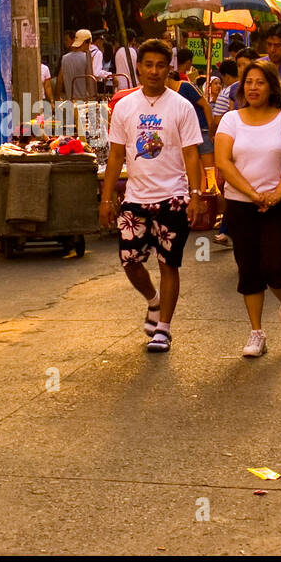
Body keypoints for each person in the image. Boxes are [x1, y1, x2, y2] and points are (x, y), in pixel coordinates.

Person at [100, 39, 203, 354]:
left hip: (173, 198)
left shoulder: (181, 107)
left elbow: (191, 155)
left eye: (161, 65)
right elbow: (116, 155)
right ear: (139, 69)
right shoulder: (125, 107)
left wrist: (196, 195)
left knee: (167, 263)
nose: (154, 71)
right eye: (149, 65)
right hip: (134, 199)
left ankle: (163, 329)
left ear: (168, 69)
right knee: (130, 261)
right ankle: (153, 300)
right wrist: (106, 199)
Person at [214, 59, 281, 355]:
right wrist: (253, 194)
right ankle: (257, 333)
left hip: (279, 204)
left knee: (274, 265)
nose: (253, 88)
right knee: (249, 268)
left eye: (260, 82)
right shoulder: (231, 120)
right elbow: (223, 162)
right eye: (249, 82)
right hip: (241, 204)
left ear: (271, 87)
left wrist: (277, 193)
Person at [175, 48, 214, 176]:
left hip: (202, 130)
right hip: (186, 134)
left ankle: (211, 192)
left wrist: (210, 129)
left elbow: (206, 106)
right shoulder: (170, 91)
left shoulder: (185, 85)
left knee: (209, 170)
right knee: (195, 168)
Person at [58, 29, 96, 101]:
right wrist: (93, 100)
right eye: (90, 43)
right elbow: (90, 82)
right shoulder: (87, 57)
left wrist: (56, 98)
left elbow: (59, 81)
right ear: (85, 42)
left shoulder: (64, 58)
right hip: (84, 103)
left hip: (70, 102)